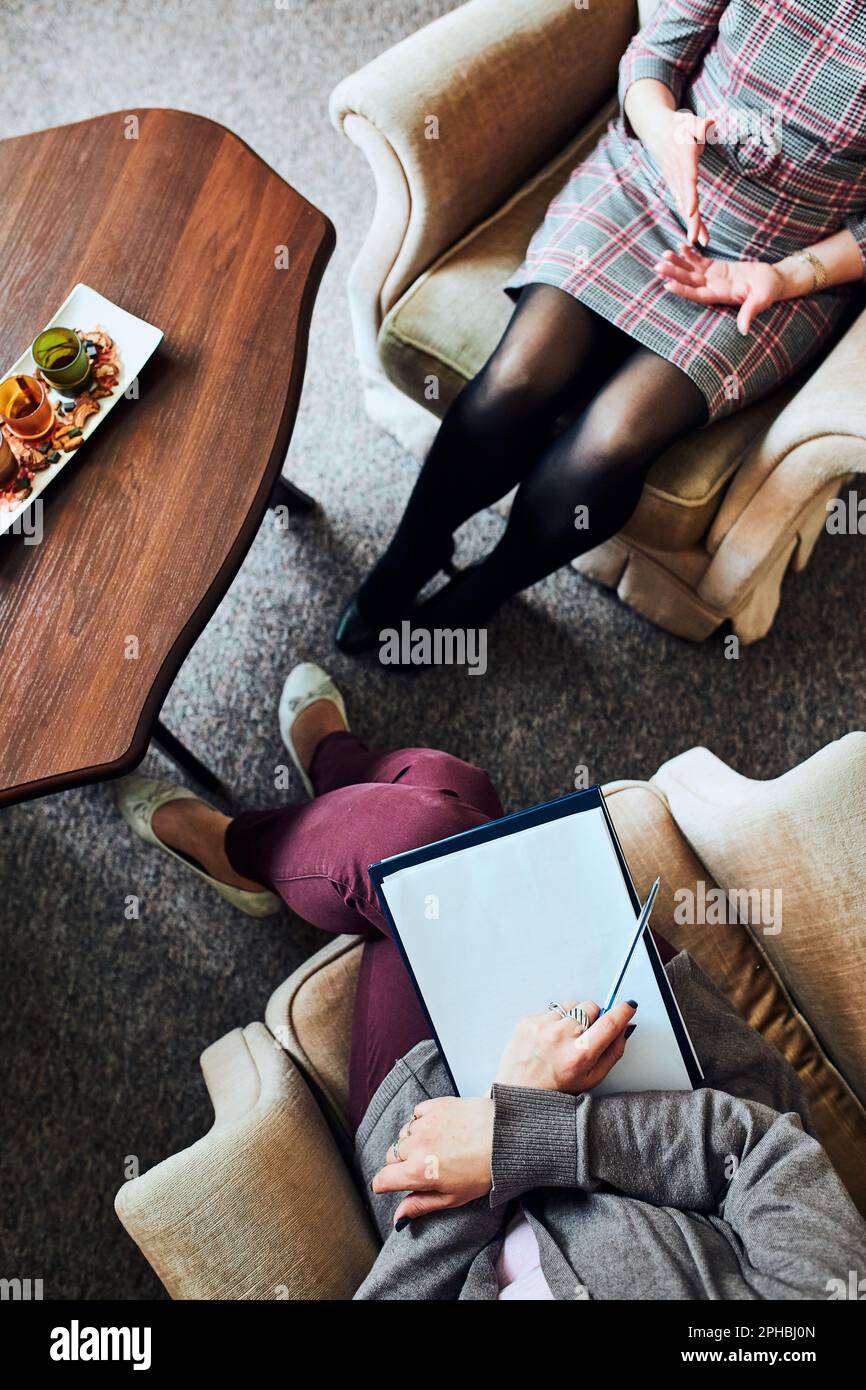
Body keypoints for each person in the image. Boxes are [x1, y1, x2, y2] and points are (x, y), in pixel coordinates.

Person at [114, 662, 866, 1300]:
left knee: (423, 827)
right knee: (447, 802)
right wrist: (527, 1135)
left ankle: (250, 842)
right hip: (666, 1083)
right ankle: (329, 778)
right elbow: (765, 1158)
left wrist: (494, 1132)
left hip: (439, 1166)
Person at [336, 0, 866, 652]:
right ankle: (413, 550)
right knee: (517, 379)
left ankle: (487, 589)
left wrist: (789, 277)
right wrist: (665, 129)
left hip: (779, 265)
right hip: (648, 181)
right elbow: (654, 55)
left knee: (609, 445)